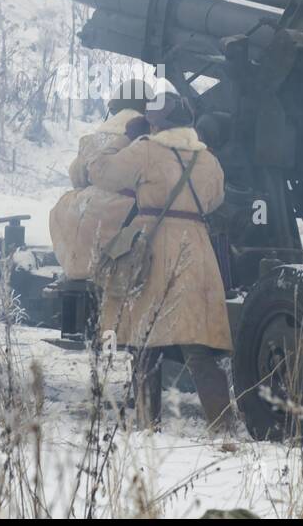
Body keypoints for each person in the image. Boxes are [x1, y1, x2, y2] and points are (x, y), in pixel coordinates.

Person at [86, 92, 235, 431]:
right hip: (198, 249)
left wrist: (126, 137)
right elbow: (215, 201)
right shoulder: (208, 160)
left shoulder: (146, 150)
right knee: (199, 345)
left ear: (155, 122)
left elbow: (100, 172)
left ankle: (147, 423)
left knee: (144, 341)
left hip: (153, 246)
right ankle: (223, 425)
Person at [49, 81, 155, 279]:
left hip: (84, 222)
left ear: (114, 107)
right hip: (122, 223)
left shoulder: (95, 138)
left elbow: (77, 177)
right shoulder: (146, 137)